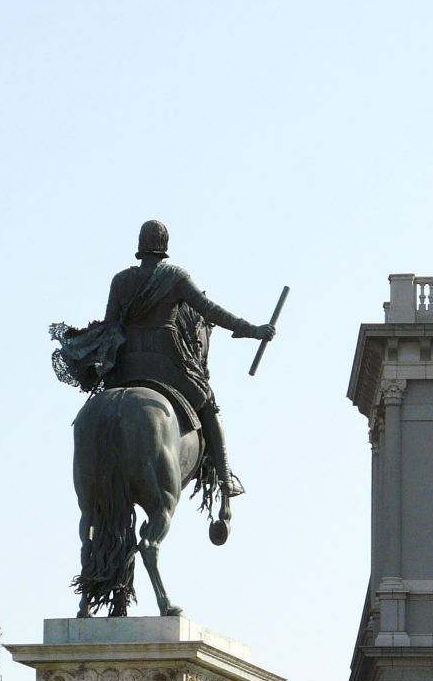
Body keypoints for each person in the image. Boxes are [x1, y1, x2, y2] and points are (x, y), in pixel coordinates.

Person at [55, 219, 276, 532]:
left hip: (127, 364)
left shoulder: (120, 281)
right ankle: (226, 481)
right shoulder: (175, 276)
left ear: (141, 248)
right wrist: (250, 329)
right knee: (208, 406)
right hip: (167, 361)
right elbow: (209, 311)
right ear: (164, 247)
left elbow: (109, 325)